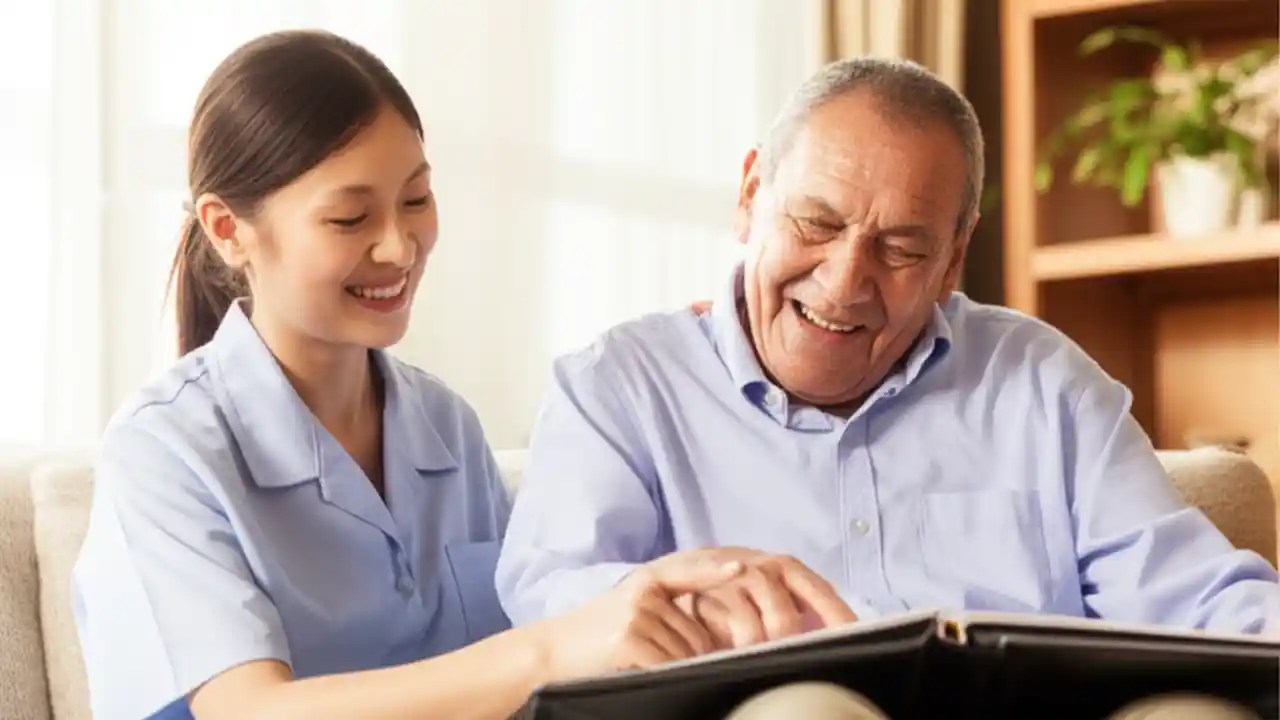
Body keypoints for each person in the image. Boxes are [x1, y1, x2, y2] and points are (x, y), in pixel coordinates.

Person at [71, 30, 784, 720]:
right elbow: (252, 711)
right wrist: (546, 651)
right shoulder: (164, 451)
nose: (400, 245)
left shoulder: (446, 427)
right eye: (350, 218)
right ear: (228, 230)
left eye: (416, 199)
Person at [496, 57, 1280, 647]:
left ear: (953, 259)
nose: (843, 284)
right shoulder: (620, 388)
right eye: (815, 223)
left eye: (902, 249)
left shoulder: (1043, 384)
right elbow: (551, 602)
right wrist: (701, 602)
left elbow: (1193, 595)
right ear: (749, 195)